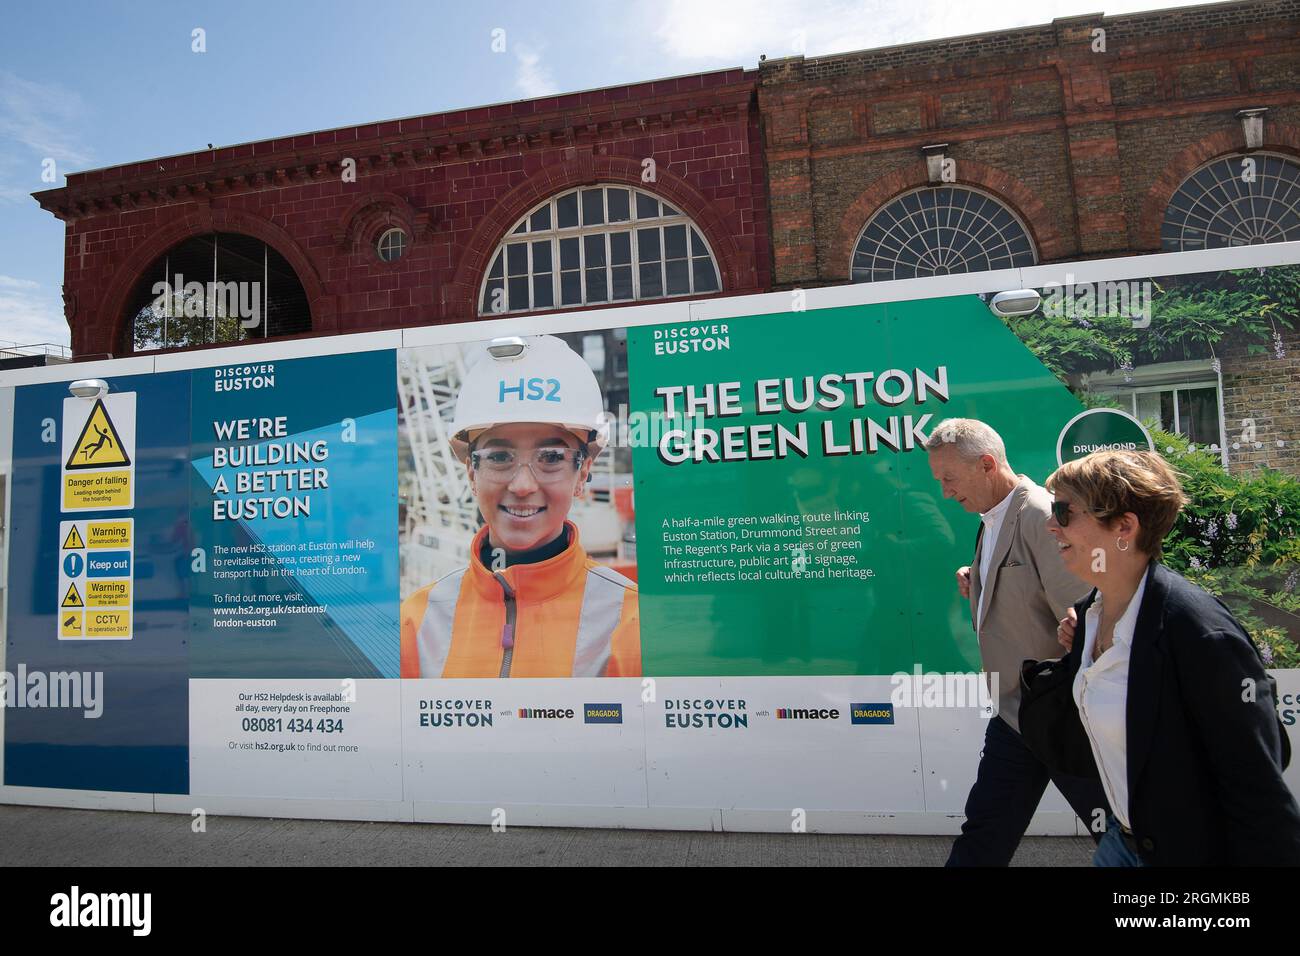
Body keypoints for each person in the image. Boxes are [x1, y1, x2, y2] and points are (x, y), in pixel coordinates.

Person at [1046, 449, 1300, 866]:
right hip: (1121, 841)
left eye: (1063, 512)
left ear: (1124, 527)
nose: (1050, 524)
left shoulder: (1197, 630)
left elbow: (1259, 783)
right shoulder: (1088, 614)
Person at [400, 334, 640, 678]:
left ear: (582, 472)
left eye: (551, 457)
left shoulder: (631, 623)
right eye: (499, 457)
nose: (523, 485)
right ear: (471, 471)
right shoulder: (416, 624)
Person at [924, 418, 1108, 866]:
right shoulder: (991, 515)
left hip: (1065, 716)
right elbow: (1027, 590)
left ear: (986, 464)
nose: (944, 492)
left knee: (1119, 832)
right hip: (1017, 713)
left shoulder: (1041, 515)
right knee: (986, 830)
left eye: (949, 478)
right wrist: (982, 580)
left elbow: (1084, 614)